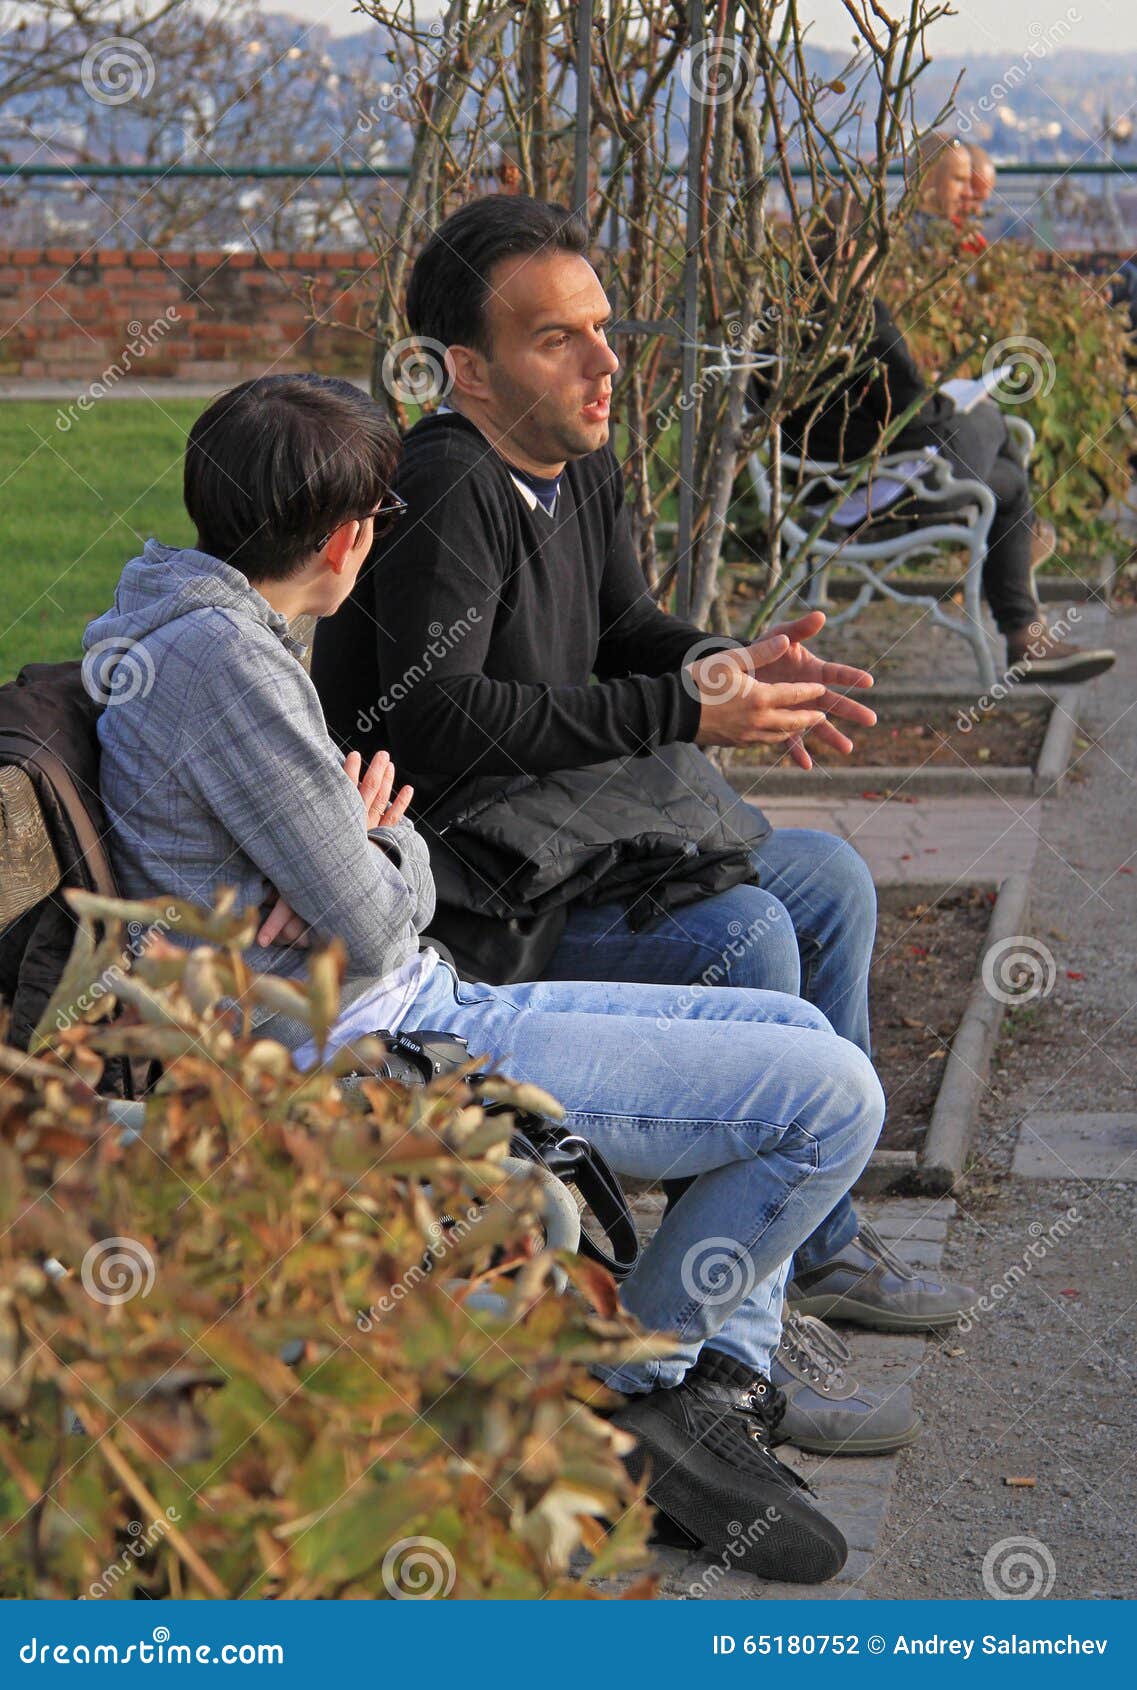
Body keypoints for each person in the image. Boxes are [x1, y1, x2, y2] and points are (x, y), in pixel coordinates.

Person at [84, 371, 887, 1584]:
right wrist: (387, 847)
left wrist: (363, 849)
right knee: (837, 1102)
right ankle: (627, 1387)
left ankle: (699, 1392)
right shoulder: (221, 659)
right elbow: (367, 910)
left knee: (779, 1017)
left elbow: (351, 895)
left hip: (406, 1002)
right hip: (372, 1052)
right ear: (352, 534)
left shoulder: (211, 626)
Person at [311, 194, 977, 1419]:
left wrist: (725, 664)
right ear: (467, 368)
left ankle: (809, 1239)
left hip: (560, 851)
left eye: (602, 327)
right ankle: (711, 1369)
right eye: (556, 337)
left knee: (826, 880)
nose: (604, 361)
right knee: (749, 936)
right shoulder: (450, 488)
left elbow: (626, 630)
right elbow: (437, 722)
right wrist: (681, 712)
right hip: (466, 901)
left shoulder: (577, 462)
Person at [777, 192, 1115, 685]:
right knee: (997, 439)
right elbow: (915, 414)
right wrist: (954, 400)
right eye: (877, 249)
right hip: (877, 491)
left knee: (1004, 474)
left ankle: (1024, 621)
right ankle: (1023, 626)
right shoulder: (859, 313)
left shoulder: (781, 310)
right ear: (852, 253)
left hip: (814, 487)